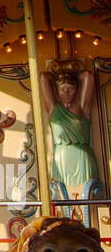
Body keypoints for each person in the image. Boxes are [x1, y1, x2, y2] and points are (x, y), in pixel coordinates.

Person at [40, 64, 103, 203]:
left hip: (82, 157)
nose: (67, 92)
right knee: (62, 194)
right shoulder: (53, 109)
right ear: (56, 91)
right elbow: (44, 77)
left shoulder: (82, 107)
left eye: (70, 88)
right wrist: (59, 76)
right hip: (61, 156)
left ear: (77, 90)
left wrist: (73, 77)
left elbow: (88, 76)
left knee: (87, 194)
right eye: (62, 89)